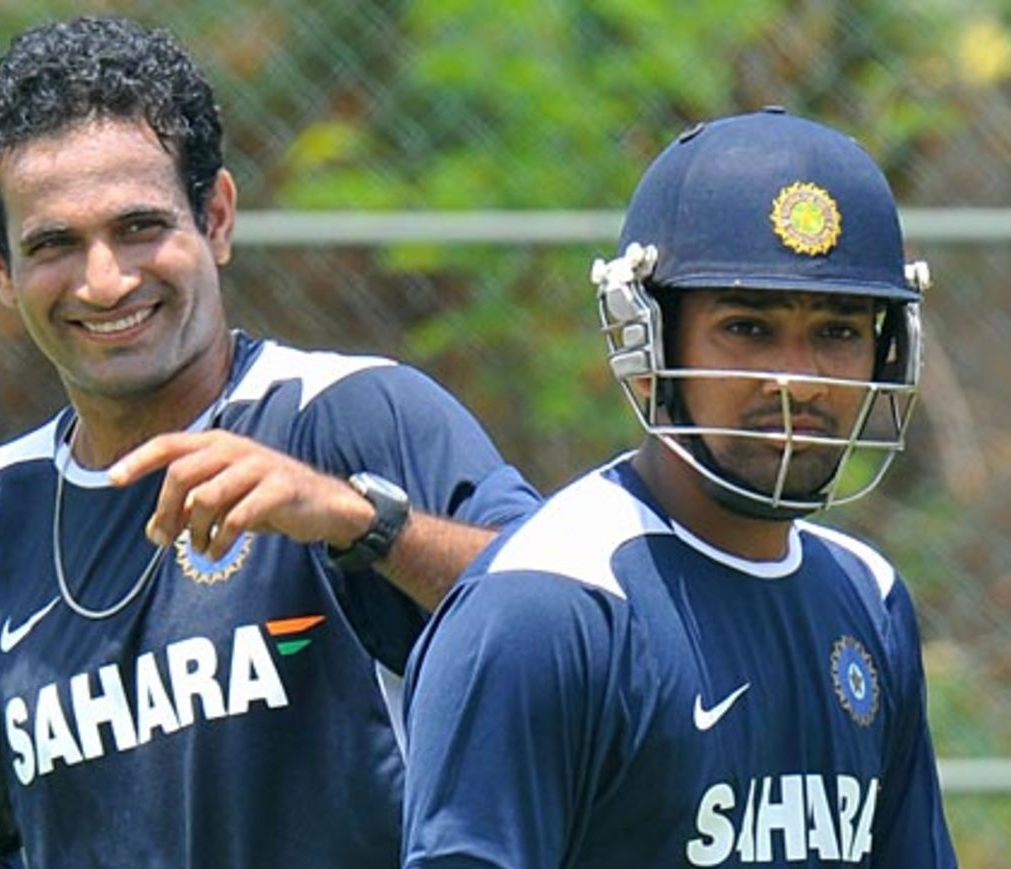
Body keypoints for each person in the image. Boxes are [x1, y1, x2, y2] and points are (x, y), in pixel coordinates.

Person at [0, 15, 539, 868]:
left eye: (139, 227)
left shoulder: (348, 415)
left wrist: (359, 522)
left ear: (217, 218)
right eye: (54, 243)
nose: (105, 280)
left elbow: (577, 626)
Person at [401, 109, 957, 868]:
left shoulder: (870, 595)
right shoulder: (545, 606)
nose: (798, 380)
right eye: (748, 328)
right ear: (648, 339)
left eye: (837, 332)